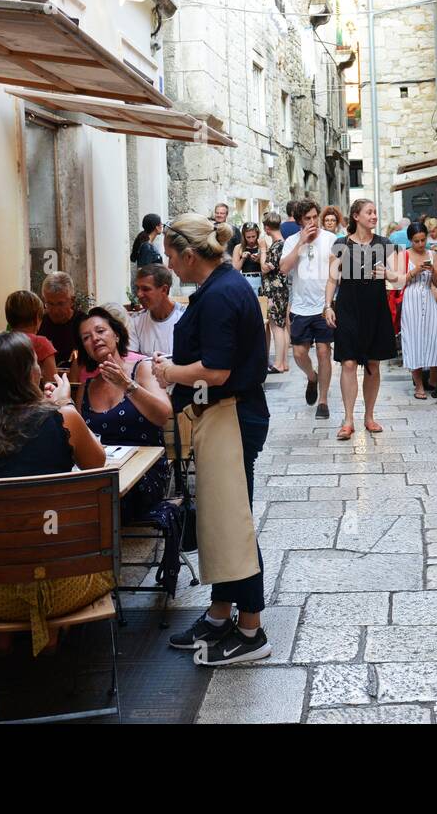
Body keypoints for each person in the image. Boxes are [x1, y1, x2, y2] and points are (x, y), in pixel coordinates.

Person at [0, 331, 111, 658]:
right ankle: (49, 629)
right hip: (65, 585)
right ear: (31, 373)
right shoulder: (64, 420)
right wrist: (65, 403)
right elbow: (97, 464)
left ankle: (9, 639)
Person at [154, 214, 272, 665]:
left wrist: (169, 372)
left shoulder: (222, 293)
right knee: (222, 521)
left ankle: (251, 630)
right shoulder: (222, 285)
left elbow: (217, 371)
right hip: (227, 414)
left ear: (188, 255)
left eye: (170, 257)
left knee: (232, 523)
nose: (168, 265)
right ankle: (221, 616)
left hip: (232, 415)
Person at [74, 305, 173, 517]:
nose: (95, 339)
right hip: (103, 473)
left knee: (103, 503)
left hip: (143, 472)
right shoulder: (88, 385)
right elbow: (82, 436)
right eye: (86, 337)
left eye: (100, 331)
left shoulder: (141, 369)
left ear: (116, 335)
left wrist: (127, 385)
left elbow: (163, 415)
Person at [324, 199, 398, 440]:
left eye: (376, 212)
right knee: (348, 363)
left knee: (373, 364)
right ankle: (347, 419)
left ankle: (369, 416)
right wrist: (327, 306)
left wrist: (387, 273)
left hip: (376, 308)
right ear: (356, 216)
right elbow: (332, 279)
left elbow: (397, 279)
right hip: (347, 308)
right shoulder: (341, 244)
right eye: (369, 212)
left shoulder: (385, 244)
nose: (374, 216)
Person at [279, 198, 338, 419]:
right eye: (308, 219)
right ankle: (311, 377)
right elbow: (283, 269)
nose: (313, 222)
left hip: (323, 306)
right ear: (299, 221)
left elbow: (336, 272)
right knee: (299, 353)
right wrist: (300, 243)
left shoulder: (330, 239)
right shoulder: (292, 241)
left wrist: (330, 303)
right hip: (300, 307)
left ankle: (323, 401)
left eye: (315, 217)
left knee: (324, 352)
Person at [396, 221, 437, 398]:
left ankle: (433, 380)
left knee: (435, 339)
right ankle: (418, 385)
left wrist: (432, 270)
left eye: (422, 240)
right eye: (416, 241)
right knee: (413, 341)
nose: (420, 244)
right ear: (410, 240)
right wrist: (414, 271)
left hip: (428, 298)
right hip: (411, 300)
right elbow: (397, 282)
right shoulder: (403, 256)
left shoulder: (432, 254)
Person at [259, 211, 292, 374]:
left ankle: (279, 363)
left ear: (266, 228)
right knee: (282, 326)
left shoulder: (276, 245)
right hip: (281, 289)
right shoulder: (283, 243)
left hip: (274, 290)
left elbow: (264, 268)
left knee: (276, 326)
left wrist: (263, 250)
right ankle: (284, 362)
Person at [130, 264, 184, 360]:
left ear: (164, 290)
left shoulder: (186, 317)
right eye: (137, 288)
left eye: (145, 289)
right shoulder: (135, 321)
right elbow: (132, 360)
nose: (139, 294)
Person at [4, 290, 58, 382]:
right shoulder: (41, 343)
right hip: (32, 395)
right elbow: (52, 381)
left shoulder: (2, 341)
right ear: (37, 318)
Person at [39, 272, 85, 370]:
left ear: (72, 300)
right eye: (50, 304)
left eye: (60, 304)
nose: (55, 311)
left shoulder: (84, 324)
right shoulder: (38, 323)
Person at [231, 221, 266, 294]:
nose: (251, 240)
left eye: (253, 236)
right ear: (244, 236)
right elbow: (235, 269)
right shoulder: (238, 248)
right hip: (245, 280)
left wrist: (259, 260)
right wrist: (243, 259)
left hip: (261, 280)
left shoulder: (262, 245)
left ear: (258, 235)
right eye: (248, 237)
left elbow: (267, 267)